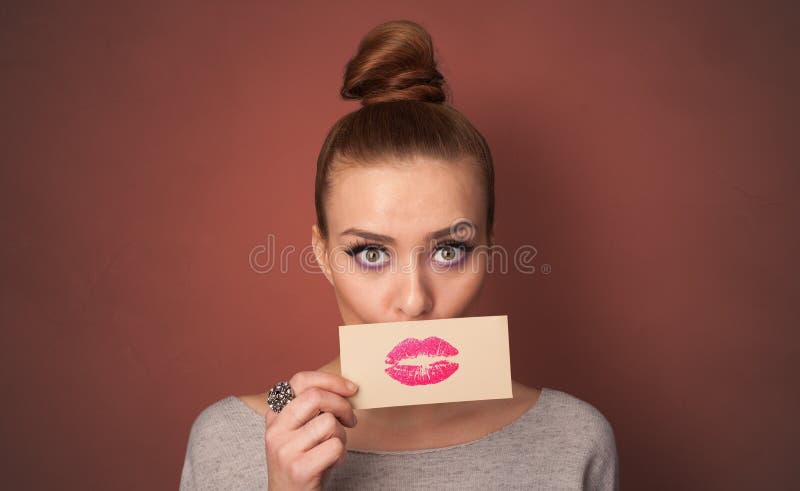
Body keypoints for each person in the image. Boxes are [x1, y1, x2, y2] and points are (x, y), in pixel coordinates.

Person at [179, 19, 619, 490]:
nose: (413, 301)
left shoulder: (573, 440)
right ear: (323, 255)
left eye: (449, 250)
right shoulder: (230, 441)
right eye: (371, 254)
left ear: (489, 248)